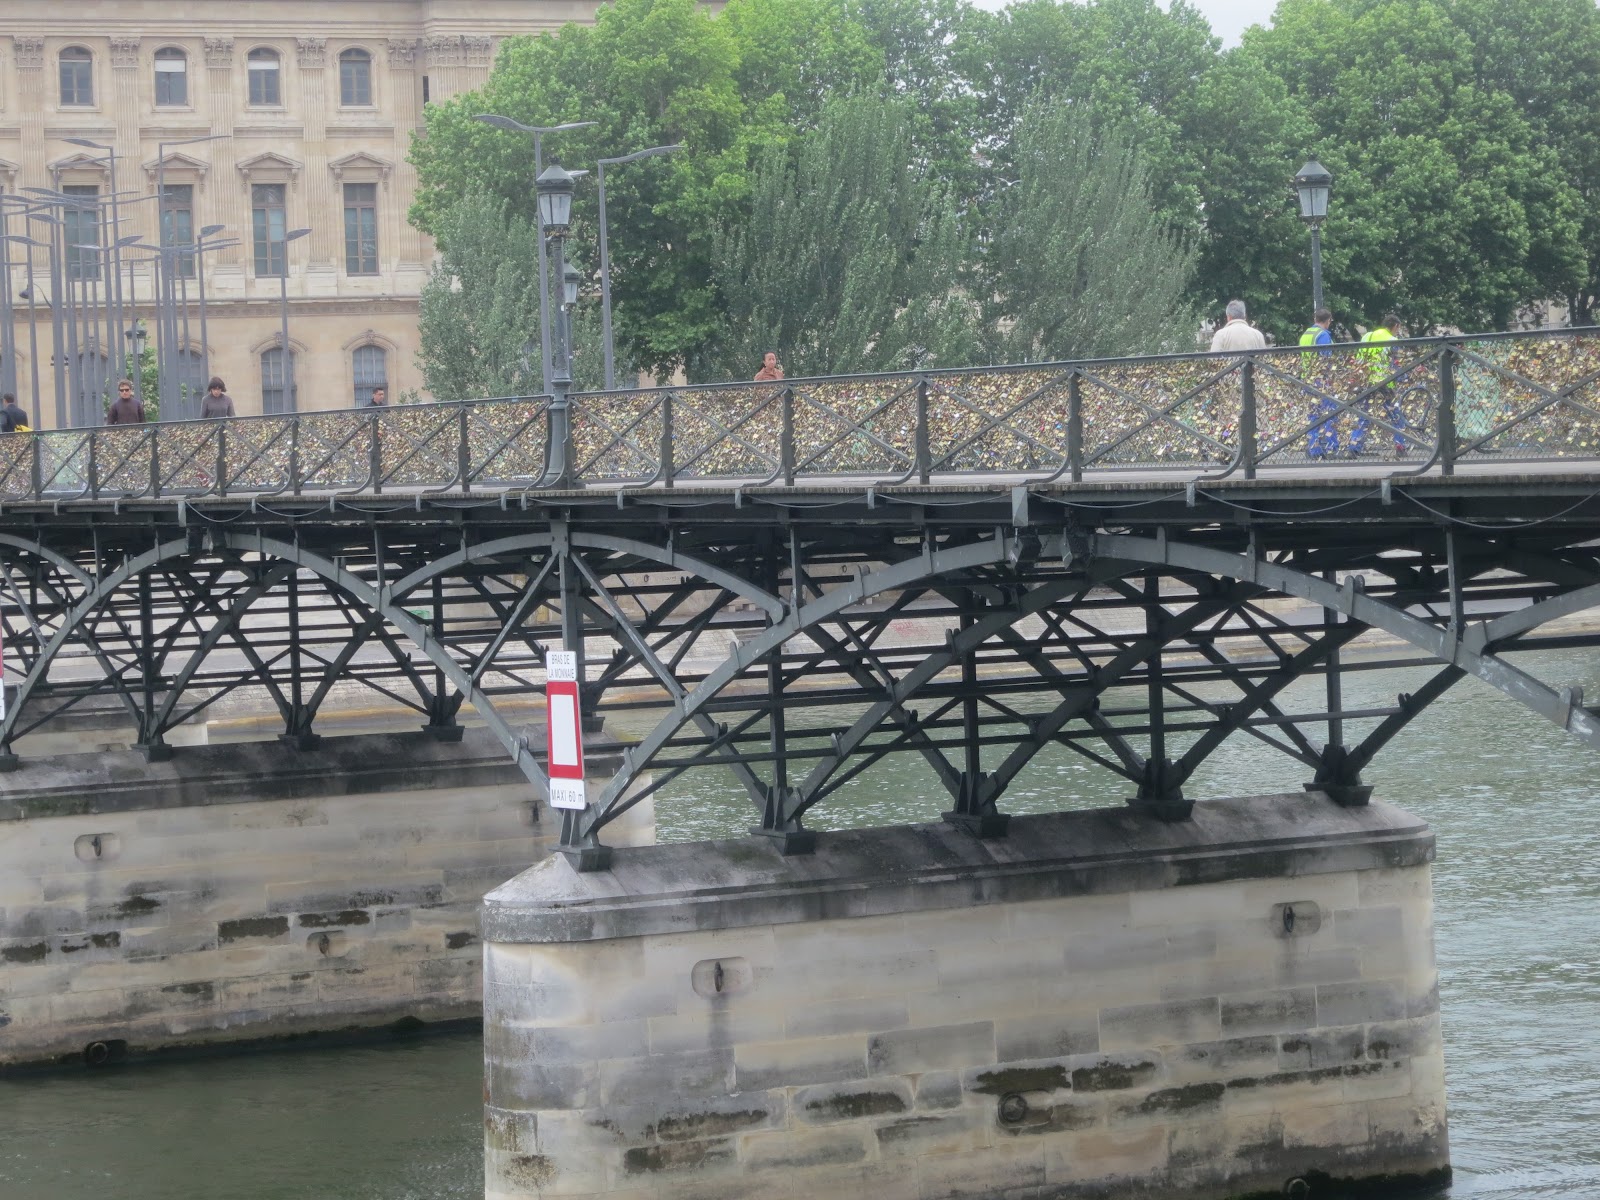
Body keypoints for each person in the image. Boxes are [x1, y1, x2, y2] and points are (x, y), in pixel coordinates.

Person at [1352, 312, 1405, 457]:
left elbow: (1359, 360)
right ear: (1395, 326)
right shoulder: (1392, 340)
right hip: (1385, 382)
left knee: (1364, 414)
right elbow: (1396, 363)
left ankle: (1354, 446)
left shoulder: (1367, 336)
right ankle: (1400, 446)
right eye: (1398, 328)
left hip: (1366, 381)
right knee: (1394, 415)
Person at [1299, 309, 1338, 459]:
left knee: (1314, 416)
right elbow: (1326, 359)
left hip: (1308, 379)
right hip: (1322, 380)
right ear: (1328, 320)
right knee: (1330, 414)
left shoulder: (1306, 334)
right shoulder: (1323, 335)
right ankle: (1330, 448)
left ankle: (1314, 448)